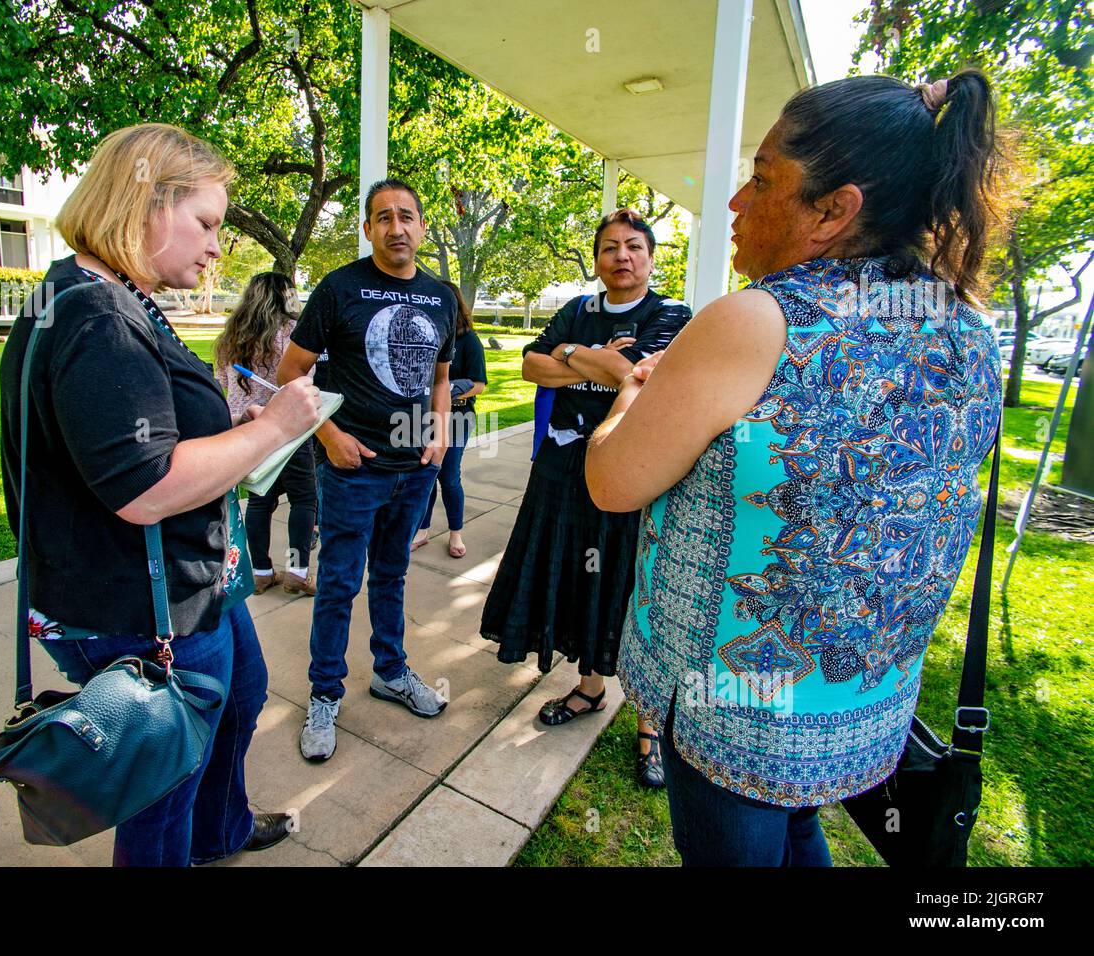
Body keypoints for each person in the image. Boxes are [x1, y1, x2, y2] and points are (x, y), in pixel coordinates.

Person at [587, 71, 1006, 865]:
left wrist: (625, 399)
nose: (738, 204)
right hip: (861, 697)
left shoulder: (757, 321)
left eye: (762, 177)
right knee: (798, 825)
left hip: (733, 705)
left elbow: (613, 480)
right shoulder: (965, 329)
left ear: (834, 209)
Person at [0, 123, 323, 866]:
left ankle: (222, 832)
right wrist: (271, 427)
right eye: (206, 222)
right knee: (161, 787)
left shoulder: (107, 299)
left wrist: (229, 425)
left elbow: (138, 439)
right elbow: (145, 488)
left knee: (241, 698)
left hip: (191, 585)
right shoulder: (96, 315)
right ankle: (193, 839)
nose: (217, 245)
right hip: (139, 608)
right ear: (143, 200)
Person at [479, 209, 692, 789]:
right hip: (562, 473)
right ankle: (592, 687)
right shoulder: (578, 309)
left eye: (633, 247)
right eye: (608, 248)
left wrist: (568, 357)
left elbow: (633, 374)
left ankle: (651, 724)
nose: (621, 256)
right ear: (596, 260)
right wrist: (584, 355)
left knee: (635, 589)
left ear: (650, 257)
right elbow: (528, 365)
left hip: (630, 472)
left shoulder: (672, 315)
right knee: (578, 580)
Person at [277, 178, 456, 762]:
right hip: (353, 468)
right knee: (337, 585)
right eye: (383, 217)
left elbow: (439, 377)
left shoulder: (442, 295)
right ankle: (325, 694)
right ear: (368, 229)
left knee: (392, 575)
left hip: (414, 470)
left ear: (422, 227)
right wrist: (329, 436)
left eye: (406, 215)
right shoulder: (340, 288)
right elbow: (290, 376)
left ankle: (391, 671)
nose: (396, 227)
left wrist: (439, 432)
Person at [214, 271, 319, 597]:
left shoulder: (231, 336)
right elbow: (307, 379)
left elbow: (221, 384)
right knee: (305, 500)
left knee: (260, 502)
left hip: (246, 431)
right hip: (288, 429)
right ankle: (297, 572)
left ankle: (260, 571)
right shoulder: (291, 333)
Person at [412, 280, 487, 558]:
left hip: (457, 417)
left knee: (448, 475)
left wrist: (455, 389)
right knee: (425, 473)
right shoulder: (424, 336)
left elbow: (480, 384)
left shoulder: (468, 341)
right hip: (422, 417)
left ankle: (455, 533)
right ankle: (422, 530)